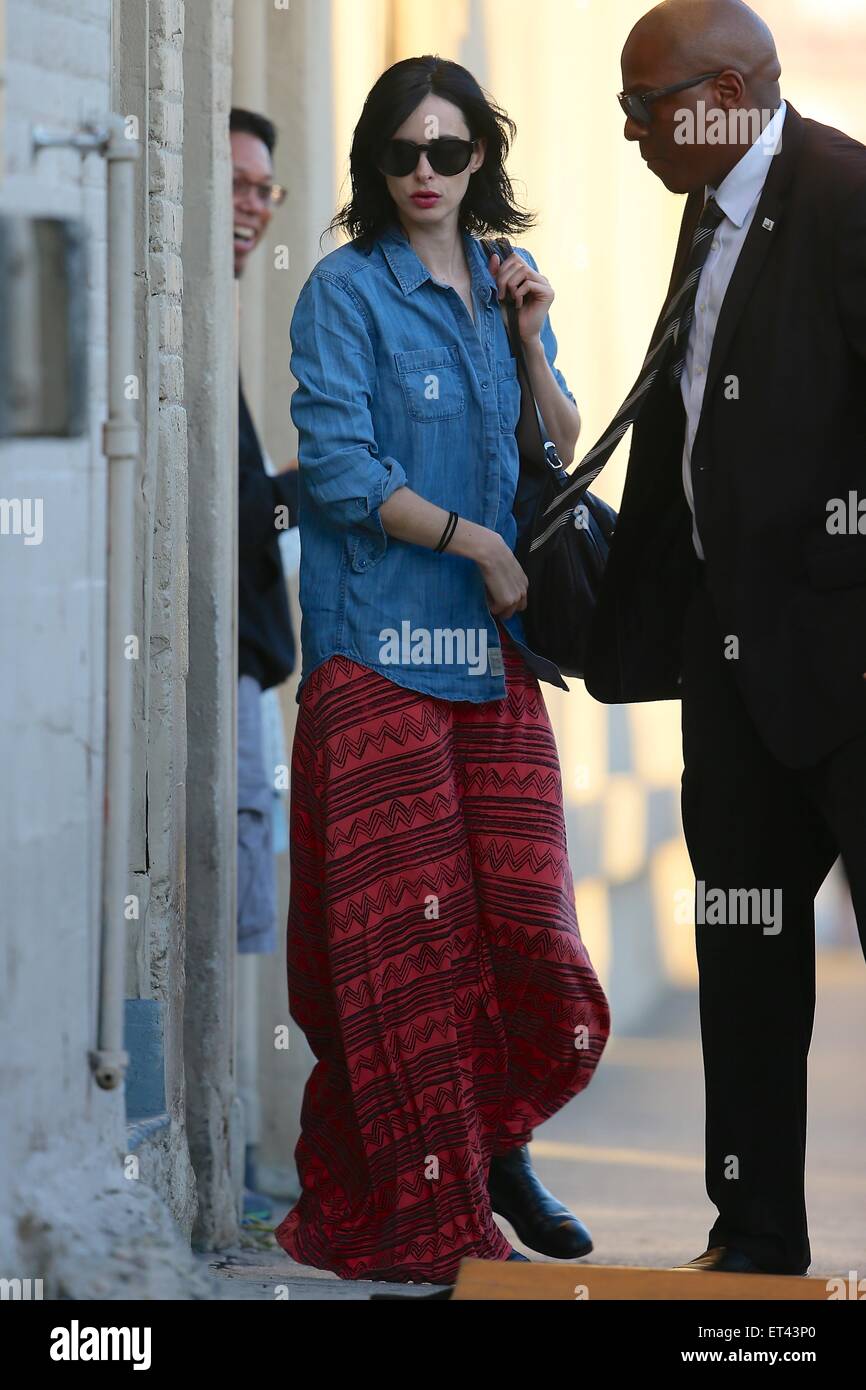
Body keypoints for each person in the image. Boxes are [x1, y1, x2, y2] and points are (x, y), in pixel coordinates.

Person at [274, 55, 610, 1285]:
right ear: (374, 162)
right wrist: (471, 541)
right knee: (404, 962)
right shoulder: (341, 293)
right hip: (378, 660)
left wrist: (526, 341)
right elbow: (342, 476)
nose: (424, 173)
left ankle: (496, 1142)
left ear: (480, 161)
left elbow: (559, 438)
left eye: (448, 151)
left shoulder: (498, 285)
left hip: (495, 663)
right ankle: (437, 1213)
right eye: (403, 152)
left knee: (531, 936)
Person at [581, 0, 866, 1275]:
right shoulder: (703, 215)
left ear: (726, 92)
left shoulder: (846, 197)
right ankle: (752, 1238)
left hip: (849, 671)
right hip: (733, 678)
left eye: (644, 104)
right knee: (745, 964)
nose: (631, 128)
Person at [230, 107, 299, 1202]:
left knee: (248, 910)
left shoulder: (216, 335)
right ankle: (229, 1157)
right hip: (219, 681)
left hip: (243, 676)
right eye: (234, 185)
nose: (250, 207)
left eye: (262, 193)